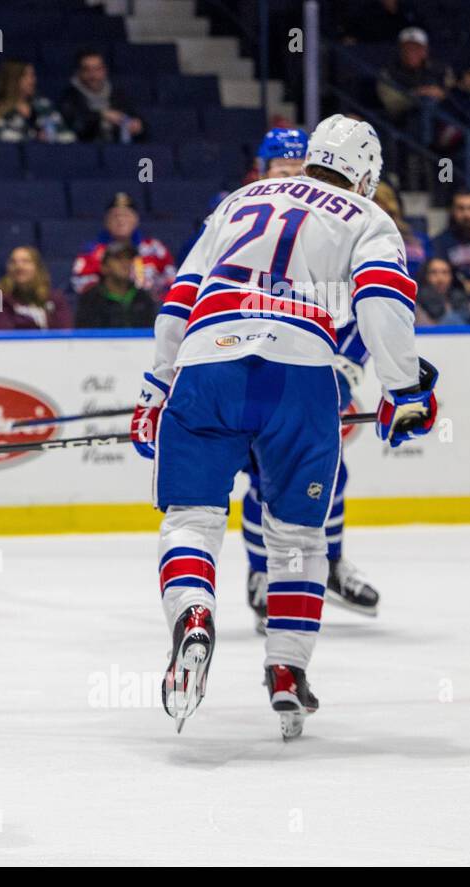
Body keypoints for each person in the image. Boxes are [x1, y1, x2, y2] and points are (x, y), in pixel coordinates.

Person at [131, 114, 437, 739]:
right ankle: (287, 674)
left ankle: (193, 613)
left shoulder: (240, 199)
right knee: (299, 535)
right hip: (299, 376)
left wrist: (155, 389)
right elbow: (382, 302)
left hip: (208, 361)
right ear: (367, 174)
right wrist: (403, 389)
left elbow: (178, 298)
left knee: (191, 519)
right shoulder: (367, 217)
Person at [237, 128, 386, 626]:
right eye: (277, 164)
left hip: (314, 369)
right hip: (249, 366)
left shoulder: (342, 224)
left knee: (329, 472)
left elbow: (371, 304)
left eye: (294, 164)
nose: (286, 171)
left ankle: (332, 565)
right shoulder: (240, 215)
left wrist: (344, 365)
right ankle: (263, 574)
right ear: (260, 171)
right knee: (263, 477)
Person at [71, 192, 174, 298]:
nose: (121, 220)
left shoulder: (155, 248)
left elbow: (172, 281)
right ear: (106, 221)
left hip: (152, 307)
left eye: (126, 215)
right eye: (115, 216)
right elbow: (80, 285)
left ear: (136, 220)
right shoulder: (92, 251)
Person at [59, 48, 144, 143]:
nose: (93, 75)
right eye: (87, 70)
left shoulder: (118, 95)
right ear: (79, 72)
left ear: (104, 70)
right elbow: (75, 125)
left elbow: (136, 119)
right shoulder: (70, 96)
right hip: (86, 150)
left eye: (97, 69)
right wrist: (101, 116)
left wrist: (138, 126)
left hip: (118, 148)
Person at [0, 245, 72, 329]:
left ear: (38, 268)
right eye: (13, 262)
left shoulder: (55, 298)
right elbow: (0, 331)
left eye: (26, 261)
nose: (19, 266)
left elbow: (64, 332)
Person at [376, 27, 451, 125]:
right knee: (425, 104)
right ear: (400, 50)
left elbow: (454, 93)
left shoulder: (440, 70)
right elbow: (391, 104)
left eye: (416, 48)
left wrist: (441, 94)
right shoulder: (388, 73)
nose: (411, 53)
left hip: (442, 121)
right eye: (407, 48)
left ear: (425, 50)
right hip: (404, 122)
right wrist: (417, 94)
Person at [0, 60, 72, 144]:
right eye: (26, 76)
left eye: (32, 76)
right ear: (12, 79)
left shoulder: (43, 106)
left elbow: (68, 136)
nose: (32, 81)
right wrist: (36, 140)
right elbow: (1, 135)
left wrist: (53, 139)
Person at [74, 241, 157, 328]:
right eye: (118, 258)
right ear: (104, 267)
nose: (125, 263)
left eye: (129, 259)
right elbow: (83, 337)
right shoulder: (90, 299)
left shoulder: (143, 298)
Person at [414, 256, 470, 324]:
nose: (440, 278)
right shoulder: (415, 305)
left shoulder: (459, 298)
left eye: (445, 272)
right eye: (434, 272)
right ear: (425, 276)